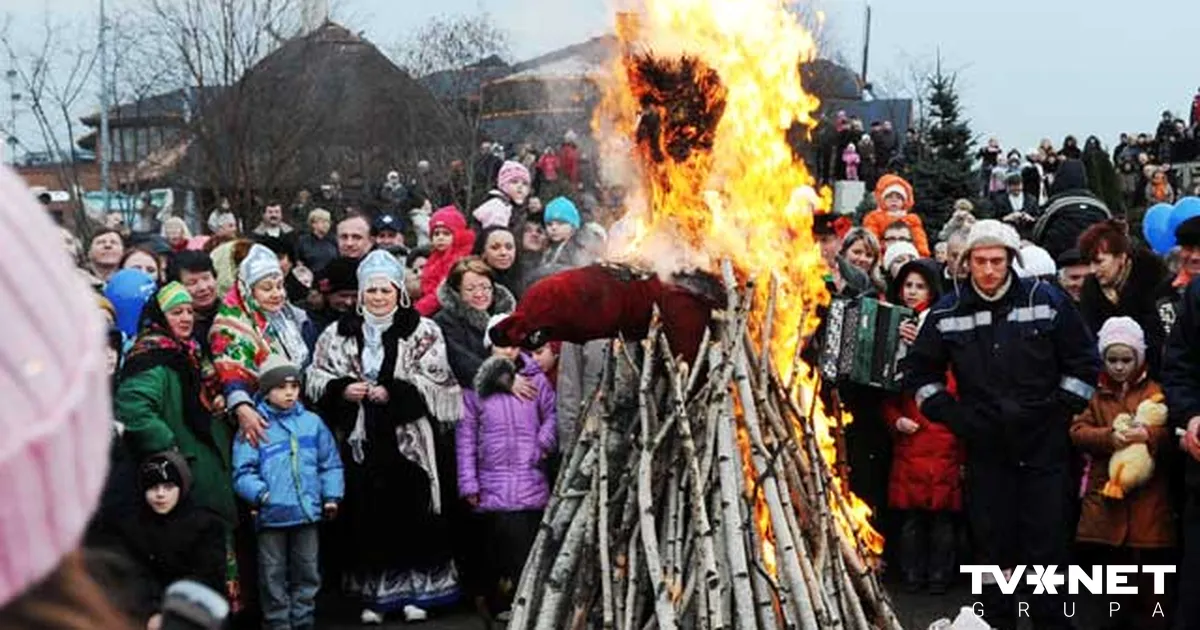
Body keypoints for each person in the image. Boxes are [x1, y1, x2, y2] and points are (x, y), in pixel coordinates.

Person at [904, 219, 1099, 629]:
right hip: (986, 451)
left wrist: (1057, 411)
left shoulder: (1046, 299)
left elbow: (1084, 363)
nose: (989, 270)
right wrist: (955, 416)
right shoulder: (947, 312)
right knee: (993, 556)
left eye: (997, 260)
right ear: (967, 263)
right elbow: (920, 375)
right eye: (980, 261)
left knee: (1046, 554)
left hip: (1044, 451)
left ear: (1011, 260)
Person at [306, 251, 463, 624]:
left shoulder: (423, 330)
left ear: (399, 291)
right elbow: (316, 374)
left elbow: (440, 380)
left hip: (409, 440)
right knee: (366, 513)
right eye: (371, 290)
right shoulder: (338, 331)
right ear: (361, 293)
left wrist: (393, 391)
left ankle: (419, 593)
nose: (378, 297)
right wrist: (343, 389)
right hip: (359, 441)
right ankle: (372, 596)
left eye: (386, 289)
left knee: (415, 509)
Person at [1070, 317, 1175, 630]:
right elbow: (1078, 431)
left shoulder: (1156, 392)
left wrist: (1150, 437)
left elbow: (1170, 434)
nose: (1118, 367)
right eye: (1112, 360)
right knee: (1109, 583)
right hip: (1106, 500)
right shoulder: (1096, 395)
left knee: (1150, 588)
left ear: (1139, 358)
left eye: (1126, 359)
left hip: (1149, 504)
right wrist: (1108, 437)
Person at [233, 355, 344, 630]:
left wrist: (330, 497)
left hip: (306, 513)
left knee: (307, 572)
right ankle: (278, 623)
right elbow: (243, 471)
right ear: (266, 391)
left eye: (294, 386)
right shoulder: (256, 425)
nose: (289, 393)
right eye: (281, 387)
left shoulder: (312, 423)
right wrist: (261, 495)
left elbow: (329, 463)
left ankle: (303, 621)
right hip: (272, 515)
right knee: (272, 575)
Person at [457, 315, 557, 619]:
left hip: (530, 474)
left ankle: (525, 601)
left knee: (526, 545)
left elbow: (553, 414)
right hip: (492, 480)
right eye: (502, 346)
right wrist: (468, 483)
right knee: (497, 547)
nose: (509, 352)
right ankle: (499, 602)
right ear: (490, 347)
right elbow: (466, 437)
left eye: (514, 345)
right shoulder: (475, 388)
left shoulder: (535, 378)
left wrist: (543, 442)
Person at [117, 281, 236, 528]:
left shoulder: (189, 353)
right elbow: (134, 410)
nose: (186, 318)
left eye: (190, 311)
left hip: (205, 468)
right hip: (180, 474)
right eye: (176, 312)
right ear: (159, 316)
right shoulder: (150, 357)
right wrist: (170, 448)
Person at [883, 259, 961, 595]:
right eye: (908, 286)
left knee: (942, 517)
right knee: (911, 516)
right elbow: (886, 386)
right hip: (910, 434)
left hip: (941, 433)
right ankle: (912, 574)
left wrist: (920, 348)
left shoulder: (941, 324)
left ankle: (940, 575)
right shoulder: (891, 324)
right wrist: (894, 420)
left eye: (920, 286)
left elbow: (952, 380)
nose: (912, 292)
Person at [211, 244, 314, 450]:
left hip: (301, 413)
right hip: (263, 419)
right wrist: (242, 407)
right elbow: (232, 375)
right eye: (267, 288)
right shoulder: (232, 325)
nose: (276, 293)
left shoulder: (293, 317)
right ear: (249, 291)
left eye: (279, 286)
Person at [116, 452, 227, 623]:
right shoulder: (133, 527)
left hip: (193, 613)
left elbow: (209, 577)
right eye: (153, 487)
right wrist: (151, 612)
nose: (160, 494)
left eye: (168, 487)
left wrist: (172, 614)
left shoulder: (207, 525)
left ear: (182, 487)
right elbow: (133, 577)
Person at [1077, 219, 1168, 377]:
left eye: (1099, 262)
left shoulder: (1155, 279)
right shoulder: (1091, 288)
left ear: (1121, 257)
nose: (1092, 270)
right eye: (1089, 262)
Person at [433, 257, 519, 388]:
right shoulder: (445, 321)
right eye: (470, 289)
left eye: (485, 287)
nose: (479, 294)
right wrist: (498, 377)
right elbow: (459, 360)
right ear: (457, 291)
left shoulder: (504, 315)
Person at [415, 206, 476, 317]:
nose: (440, 237)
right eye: (436, 234)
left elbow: (443, 291)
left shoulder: (460, 259)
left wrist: (417, 311)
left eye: (446, 233)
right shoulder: (434, 257)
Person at [166, 251, 221, 357]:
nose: (203, 287)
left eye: (206, 278)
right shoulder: (174, 326)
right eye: (192, 283)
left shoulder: (233, 313)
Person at [862, 174, 930, 257]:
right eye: (889, 197)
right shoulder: (874, 217)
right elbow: (871, 237)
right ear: (882, 200)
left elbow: (919, 239)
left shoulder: (911, 219)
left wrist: (922, 255)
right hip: (884, 254)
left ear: (904, 201)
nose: (894, 200)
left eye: (898, 197)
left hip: (907, 253)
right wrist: (876, 254)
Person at [473, 161, 532, 230]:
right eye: (514, 182)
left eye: (525, 184)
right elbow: (497, 236)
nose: (520, 186)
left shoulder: (516, 207)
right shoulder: (498, 205)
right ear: (503, 185)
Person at [474, 226, 524, 299]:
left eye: (509, 247)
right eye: (495, 247)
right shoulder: (469, 280)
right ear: (483, 252)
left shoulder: (525, 281)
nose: (503, 253)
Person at [540, 196, 587, 271]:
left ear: (573, 226)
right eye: (549, 224)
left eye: (561, 223)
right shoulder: (546, 249)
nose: (554, 228)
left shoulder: (578, 250)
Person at [990, 173, 1039, 238]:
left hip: (1028, 235)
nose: (1016, 189)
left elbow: (1038, 218)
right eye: (1013, 186)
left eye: (1018, 185)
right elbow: (993, 220)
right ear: (1008, 186)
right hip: (1007, 234)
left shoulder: (1031, 199)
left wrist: (1030, 218)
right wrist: (1007, 218)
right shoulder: (999, 200)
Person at [839, 227, 883, 291]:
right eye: (857, 252)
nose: (862, 259)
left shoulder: (879, 290)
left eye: (869, 255)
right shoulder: (826, 281)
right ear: (843, 252)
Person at [295, 208, 337, 275]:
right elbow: (299, 262)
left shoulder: (334, 240)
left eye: (328, 222)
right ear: (313, 224)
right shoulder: (303, 241)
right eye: (323, 221)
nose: (326, 224)